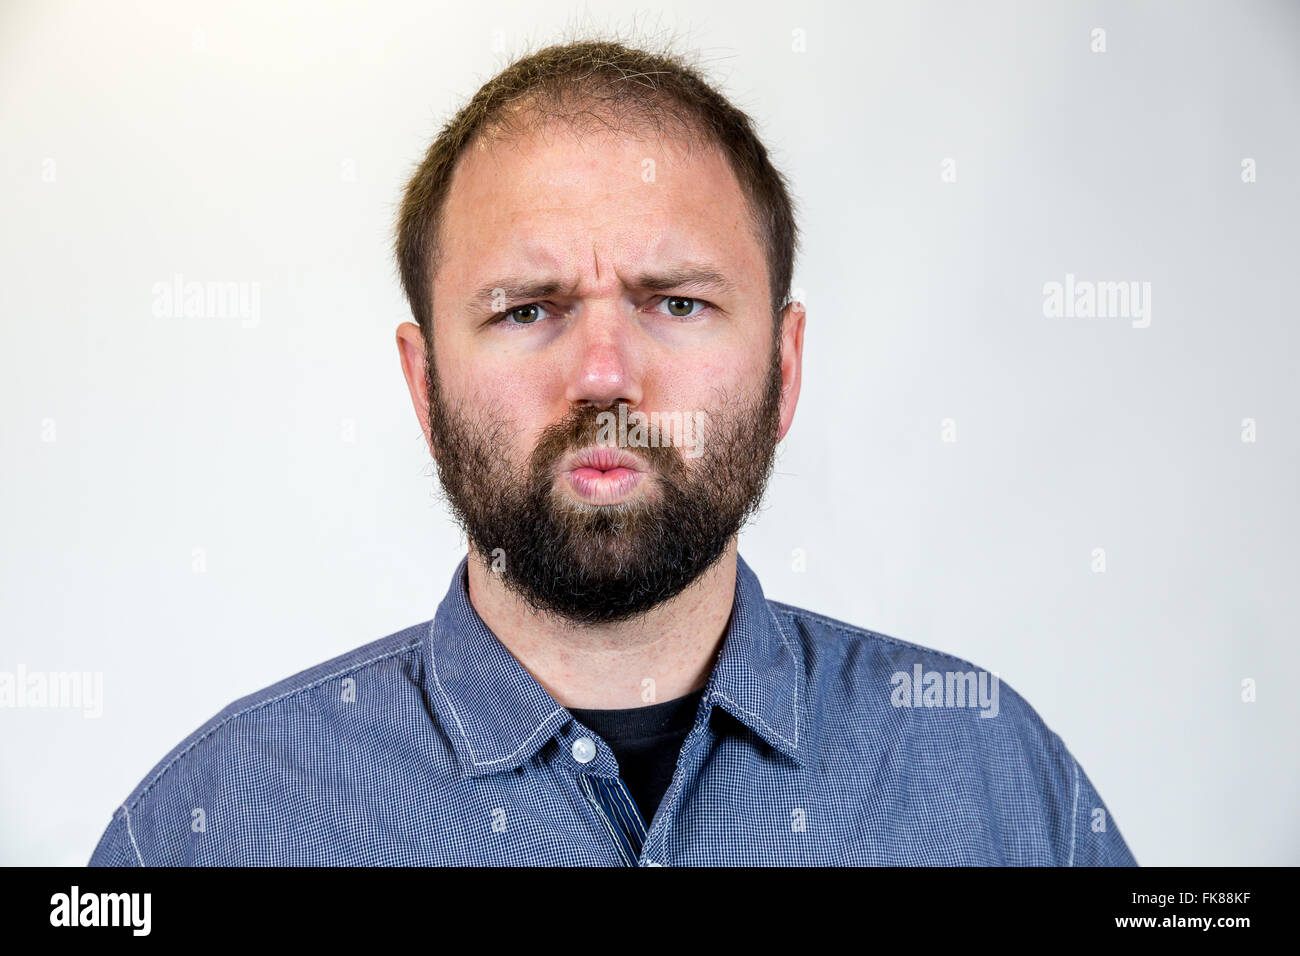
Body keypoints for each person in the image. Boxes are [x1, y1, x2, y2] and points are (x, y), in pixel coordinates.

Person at [89, 38, 1136, 866]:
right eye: (527, 309)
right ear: (422, 382)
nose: (602, 373)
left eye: (677, 302)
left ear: (785, 365)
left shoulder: (993, 775)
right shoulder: (209, 824)